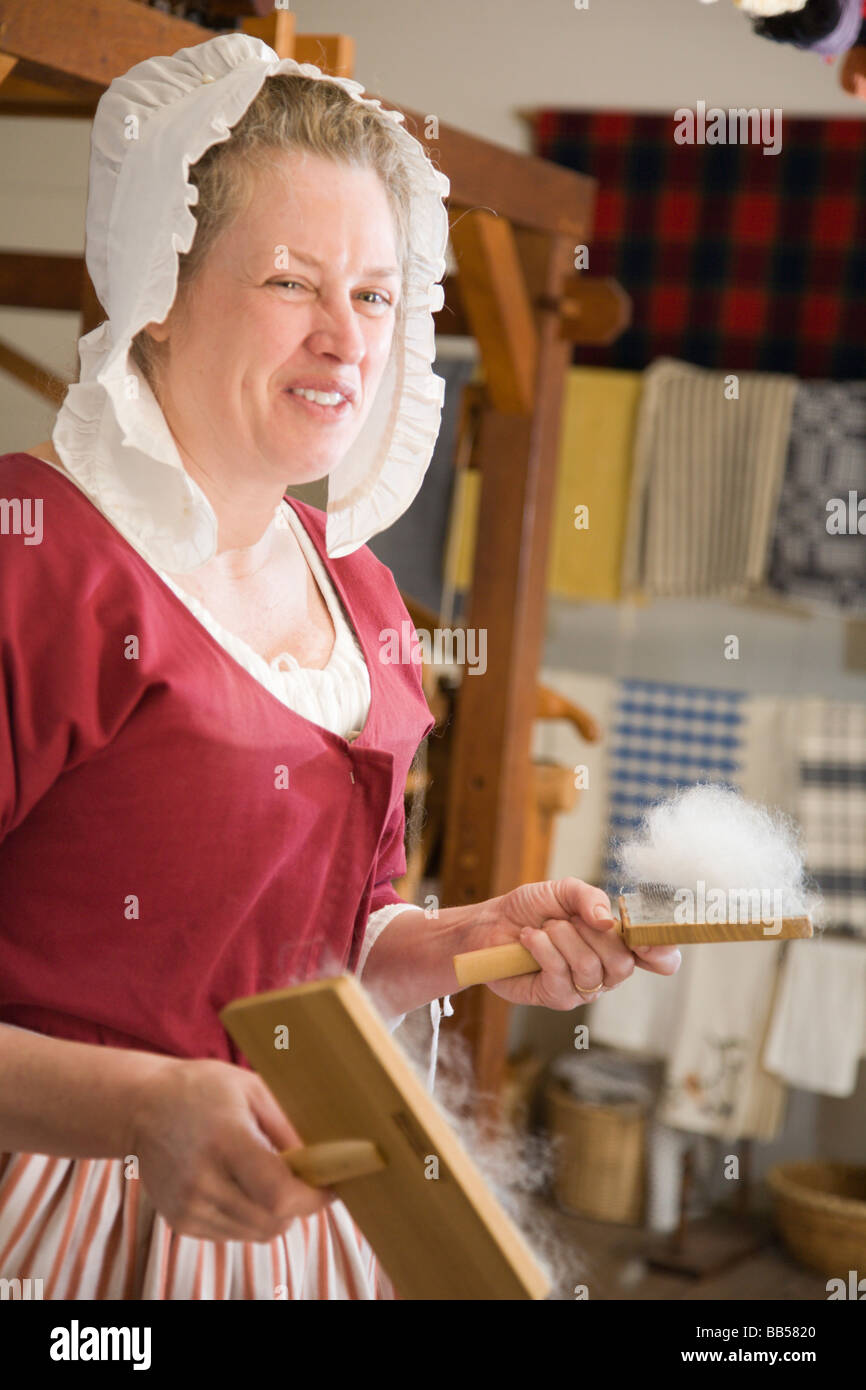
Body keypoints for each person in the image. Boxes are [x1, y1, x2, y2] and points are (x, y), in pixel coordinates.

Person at [0, 33, 680, 1300]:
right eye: (289, 282)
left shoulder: (360, 594)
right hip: (52, 1211)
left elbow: (313, 947)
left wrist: (462, 938)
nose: (344, 341)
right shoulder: (35, 562)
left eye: (372, 294)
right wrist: (140, 1103)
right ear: (159, 282)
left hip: (288, 1205)